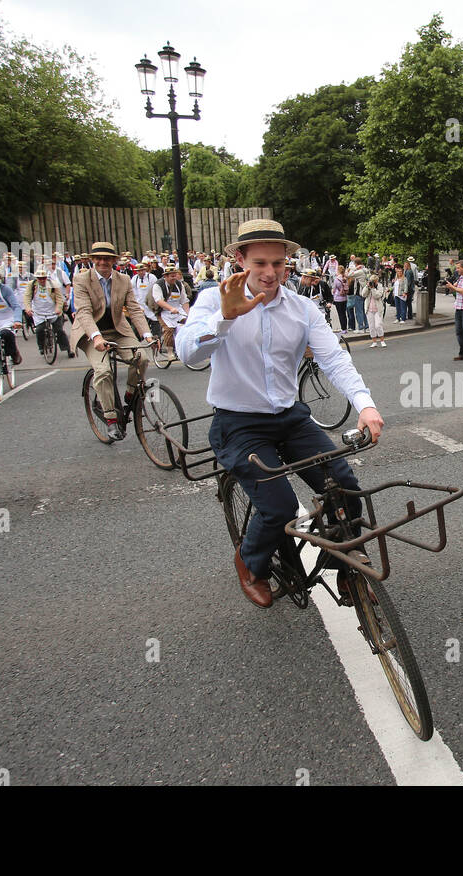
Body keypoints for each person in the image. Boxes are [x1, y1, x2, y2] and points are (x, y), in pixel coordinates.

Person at [174, 219, 384, 609]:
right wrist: (227, 317)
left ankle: (345, 570)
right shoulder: (212, 300)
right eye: (260, 263)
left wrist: (365, 404)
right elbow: (187, 353)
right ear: (240, 260)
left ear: (288, 261)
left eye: (278, 263)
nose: (271, 273)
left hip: (291, 418)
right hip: (238, 423)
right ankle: (250, 563)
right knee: (279, 508)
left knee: (344, 487)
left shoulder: (302, 308)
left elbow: (334, 358)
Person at [70, 241, 153, 440]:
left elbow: (133, 308)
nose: (102, 262)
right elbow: (84, 311)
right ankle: (111, 419)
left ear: (114, 260)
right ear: (92, 260)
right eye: (98, 258)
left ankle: (130, 395)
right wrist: (96, 336)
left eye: (107, 258)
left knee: (142, 358)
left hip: (117, 330)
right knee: (104, 370)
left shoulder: (124, 279)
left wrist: (147, 335)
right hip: (92, 333)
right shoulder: (81, 280)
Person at [23, 271, 72, 358]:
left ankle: (67, 349)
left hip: (53, 311)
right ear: (36, 278)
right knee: (39, 330)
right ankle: (41, 347)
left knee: (59, 330)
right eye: (40, 278)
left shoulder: (53, 284)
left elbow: (59, 298)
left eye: (44, 278)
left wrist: (58, 308)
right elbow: (27, 297)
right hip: (39, 312)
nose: (42, 280)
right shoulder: (32, 285)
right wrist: (28, 308)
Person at [152, 263, 190, 359]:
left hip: (177, 309)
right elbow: (158, 300)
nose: (174, 278)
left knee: (189, 323)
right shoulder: (158, 285)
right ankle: (169, 352)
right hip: (163, 311)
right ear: (166, 276)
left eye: (175, 275)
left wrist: (189, 314)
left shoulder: (179, 284)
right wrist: (170, 308)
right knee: (169, 329)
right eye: (172, 276)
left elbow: (184, 300)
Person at [364, 273, 387, 348]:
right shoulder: (368, 286)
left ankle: (382, 341)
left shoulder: (380, 287)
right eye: (372, 281)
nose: (373, 282)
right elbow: (363, 294)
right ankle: (374, 342)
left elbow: (377, 296)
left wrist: (373, 288)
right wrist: (367, 287)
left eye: (374, 281)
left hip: (378, 309)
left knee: (378, 325)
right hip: (369, 309)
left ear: (377, 281)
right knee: (371, 326)